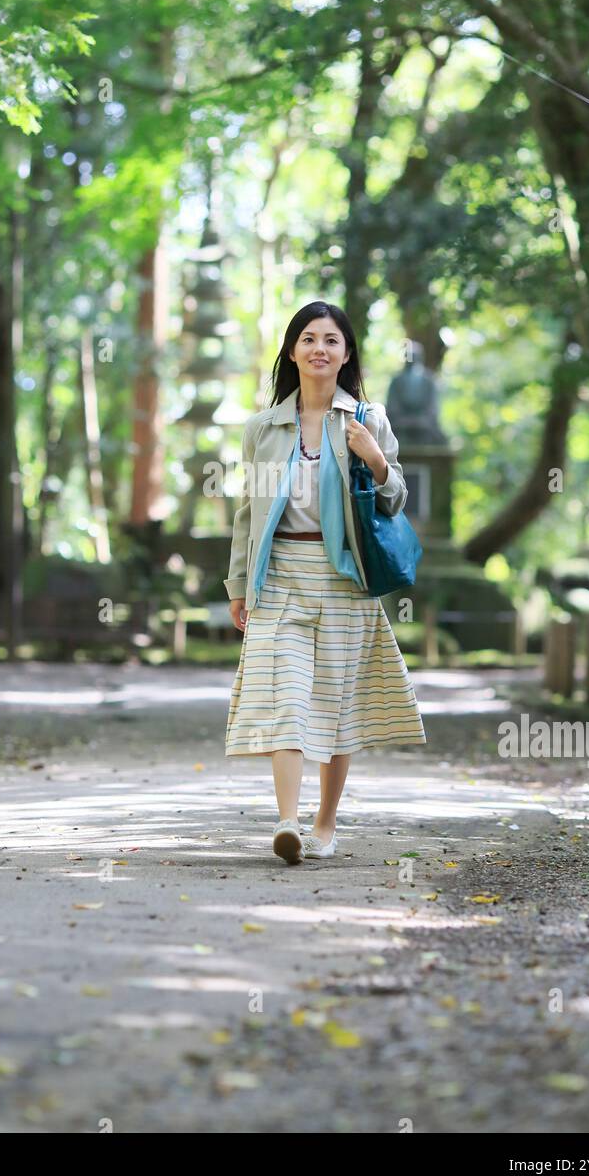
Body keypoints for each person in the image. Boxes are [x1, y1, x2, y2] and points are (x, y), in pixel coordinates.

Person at [223, 300, 427, 865]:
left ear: (345, 353)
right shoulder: (263, 429)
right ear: (292, 351)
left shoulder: (367, 418)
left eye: (331, 340)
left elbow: (396, 499)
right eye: (309, 338)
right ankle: (286, 821)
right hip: (282, 576)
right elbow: (248, 513)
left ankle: (325, 822)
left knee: (336, 708)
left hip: (345, 580)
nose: (319, 348)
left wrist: (376, 460)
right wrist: (238, 584)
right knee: (284, 696)